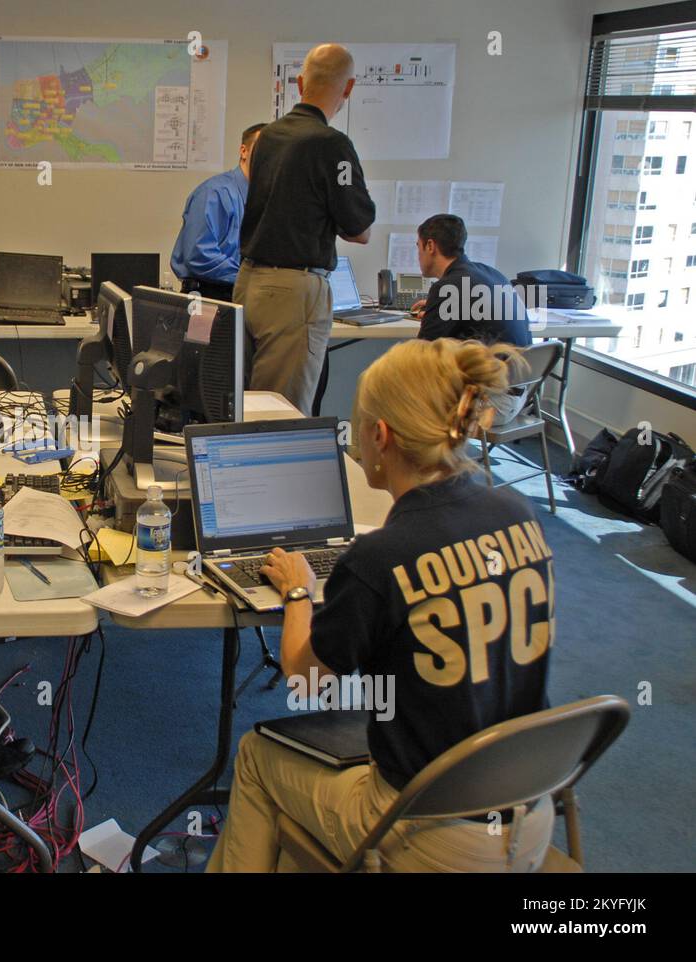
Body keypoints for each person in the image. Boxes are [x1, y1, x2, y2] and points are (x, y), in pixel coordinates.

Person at [207, 338, 556, 873]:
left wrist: (299, 590)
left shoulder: (380, 555)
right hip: (531, 814)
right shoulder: (519, 513)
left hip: (430, 834)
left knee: (259, 755)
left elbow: (306, 681)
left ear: (380, 435)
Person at [234, 43, 375, 415]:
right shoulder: (333, 146)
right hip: (294, 292)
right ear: (348, 89)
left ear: (299, 82)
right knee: (280, 412)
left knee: (243, 402)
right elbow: (359, 229)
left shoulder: (267, 139)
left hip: (248, 283)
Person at [410, 214, 533, 425]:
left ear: (430, 246)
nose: (418, 254)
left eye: (418, 246)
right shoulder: (491, 273)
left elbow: (423, 354)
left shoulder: (448, 288)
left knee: (400, 387)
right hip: (519, 395)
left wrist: (435, 310)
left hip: (489, 402)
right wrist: (434, 309)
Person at [171, 123, 265, 303]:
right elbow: (199, 256)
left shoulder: (265, 199)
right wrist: (253, 278)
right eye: (263, 149)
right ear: (243, 151)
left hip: (246, 296)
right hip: (209, 298)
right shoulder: (215, 193)